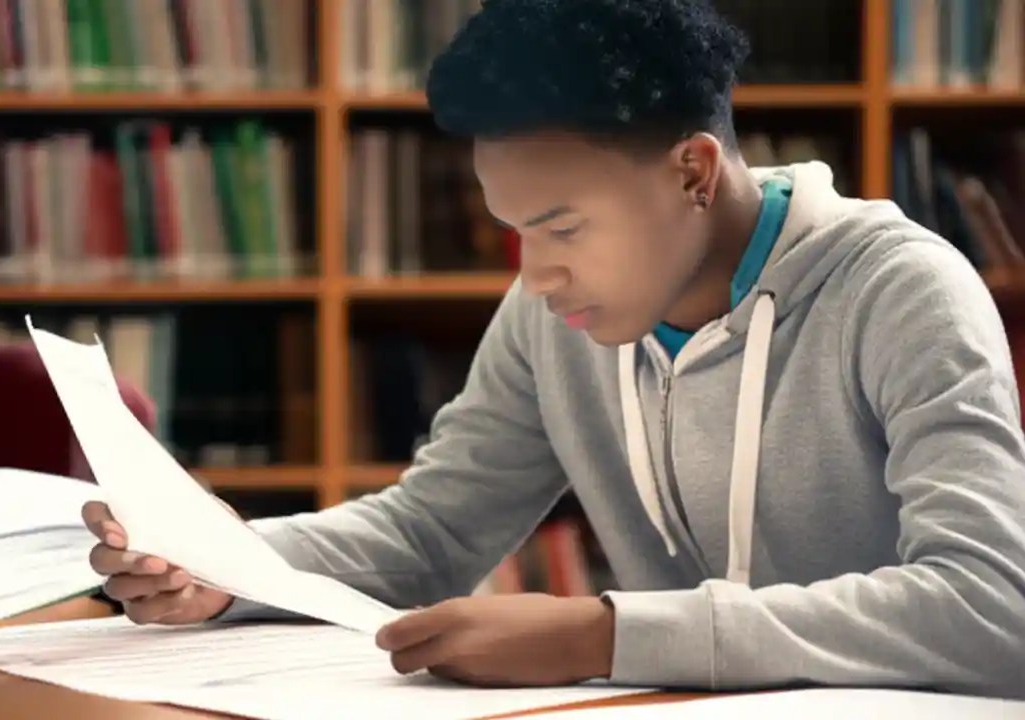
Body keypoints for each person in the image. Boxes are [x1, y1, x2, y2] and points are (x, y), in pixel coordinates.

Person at [83, 0, 1025, 699]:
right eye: (515, 233)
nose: (535, 275)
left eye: (562, 227)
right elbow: (434, 532)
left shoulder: (903, 292)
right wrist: (226, 569)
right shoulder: (556, 317)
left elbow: (994, 607)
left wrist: (606, 635)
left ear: (692, 171)